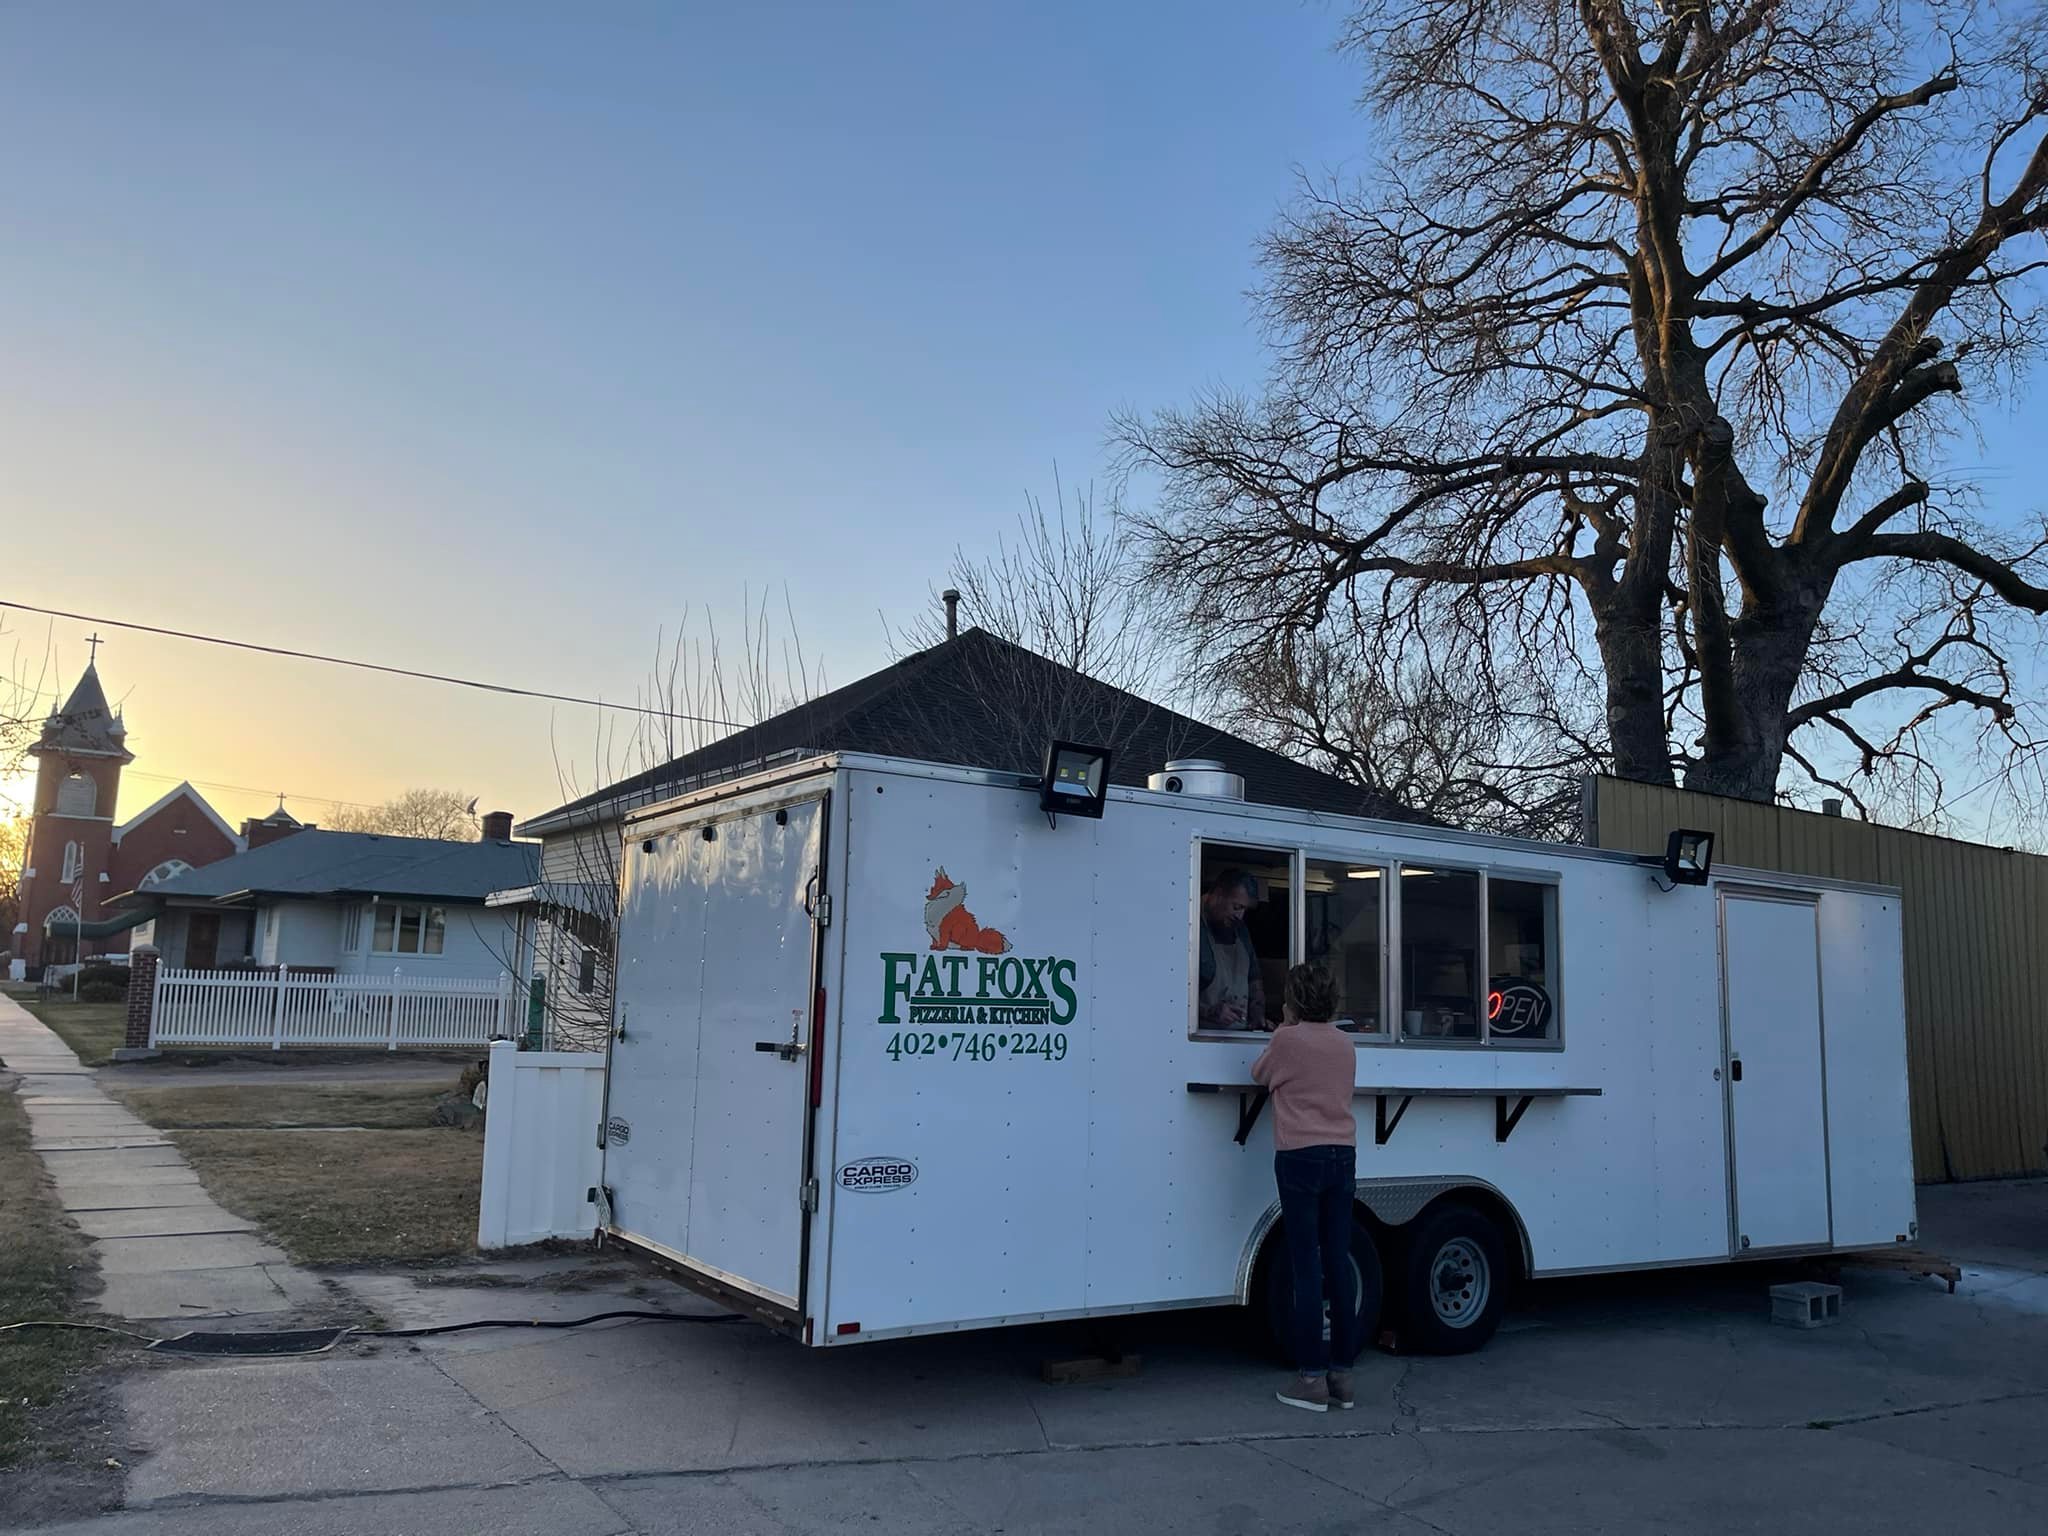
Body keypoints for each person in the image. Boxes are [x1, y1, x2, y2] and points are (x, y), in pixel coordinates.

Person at [1251, 963, 1360, 1412]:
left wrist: (1282, 1028)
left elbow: (1261, 1074)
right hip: (1343, 1154)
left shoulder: (1286, 1040)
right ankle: (1342, 1376)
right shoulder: (1345, 1042)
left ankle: (1310, 1379)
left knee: (1305, 1266)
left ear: (1293, 1001)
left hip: (1300, 1156)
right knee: (1338, 1261)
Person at [1197, 869, 1265, 1029]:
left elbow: (1254, 979)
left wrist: (1258, 1015)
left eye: (1244, 910)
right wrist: (1206, 1011)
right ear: (1218, 894)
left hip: (1237, 1036)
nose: (1240, 916)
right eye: (1236, 906)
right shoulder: (1189, 921)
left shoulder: (1239, 928)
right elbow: (1169, 997)